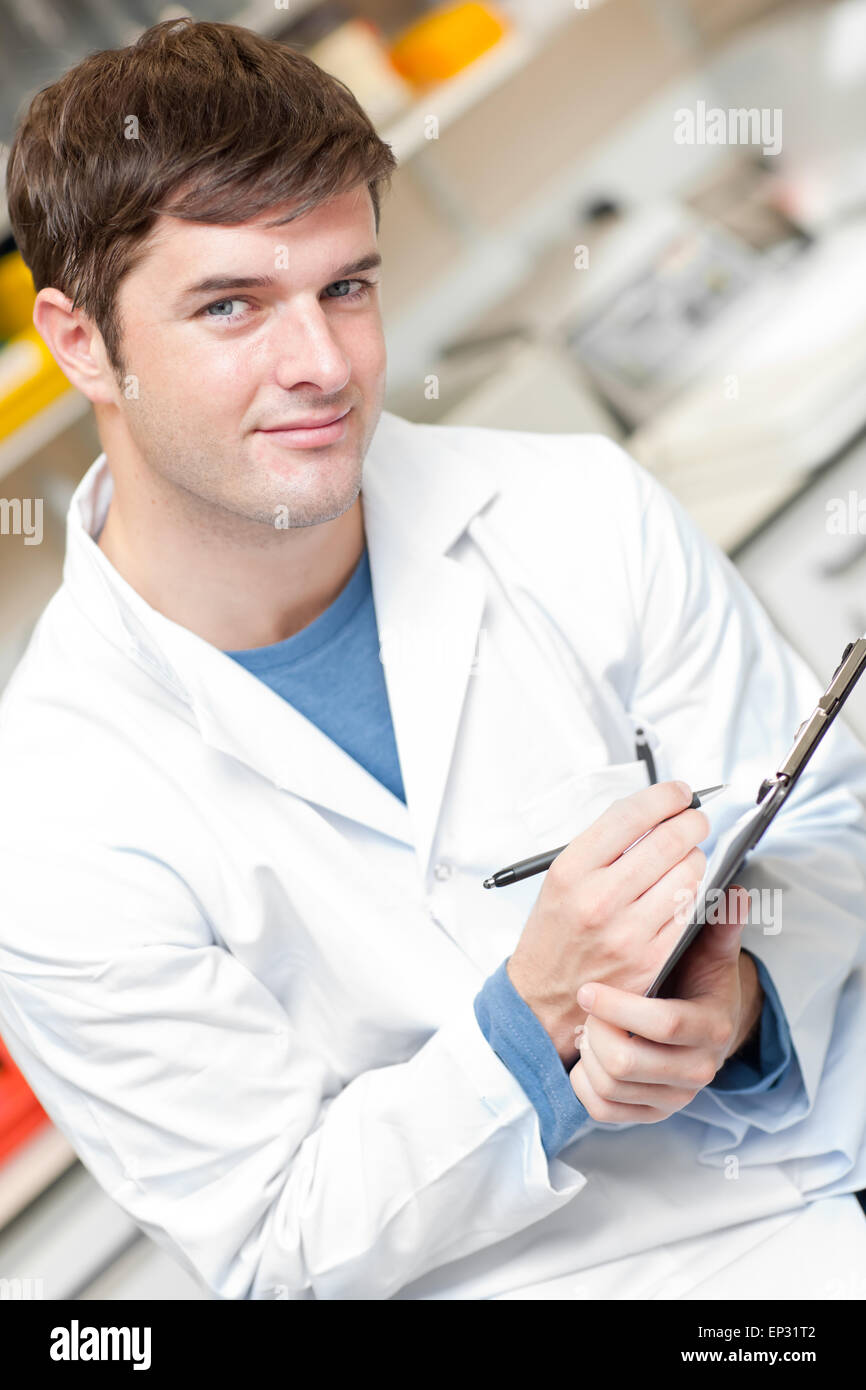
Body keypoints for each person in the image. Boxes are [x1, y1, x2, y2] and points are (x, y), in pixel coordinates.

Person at [1, 18, 865, 1302]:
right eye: (231, 304)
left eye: (344, 286)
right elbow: (272, 1248)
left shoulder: (577, 512)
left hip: (810, 1189)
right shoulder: (47, 816)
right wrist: (531, 1025)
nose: (322, 365)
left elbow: (834, 838)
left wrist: (736, 1006)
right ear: (81, 343)